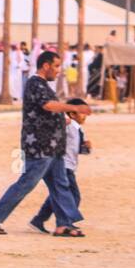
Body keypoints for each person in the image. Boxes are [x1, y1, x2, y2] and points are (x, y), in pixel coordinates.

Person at [0, 50, 90, 237]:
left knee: (60, 185)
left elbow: (45, 112)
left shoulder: (44, 85)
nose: (58, 71)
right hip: (40, 147)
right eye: (55, 66)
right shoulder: (35, 83)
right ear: (45, 65)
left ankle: (64, 224)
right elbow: (48, 106)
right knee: (26, 183)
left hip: (53, 147)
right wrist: (74, 108)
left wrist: (62, 121)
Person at [31, 97, 90, 233]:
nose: (85, 116)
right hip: (63, 165)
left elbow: (78, 149)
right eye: (81, 112)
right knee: (73, 196)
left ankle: (39, 219)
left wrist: (86, 147)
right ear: (72, 113)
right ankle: (66, 222)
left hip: (70, 165)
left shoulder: (79, 129)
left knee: (57, 195)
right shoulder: (68, 124)